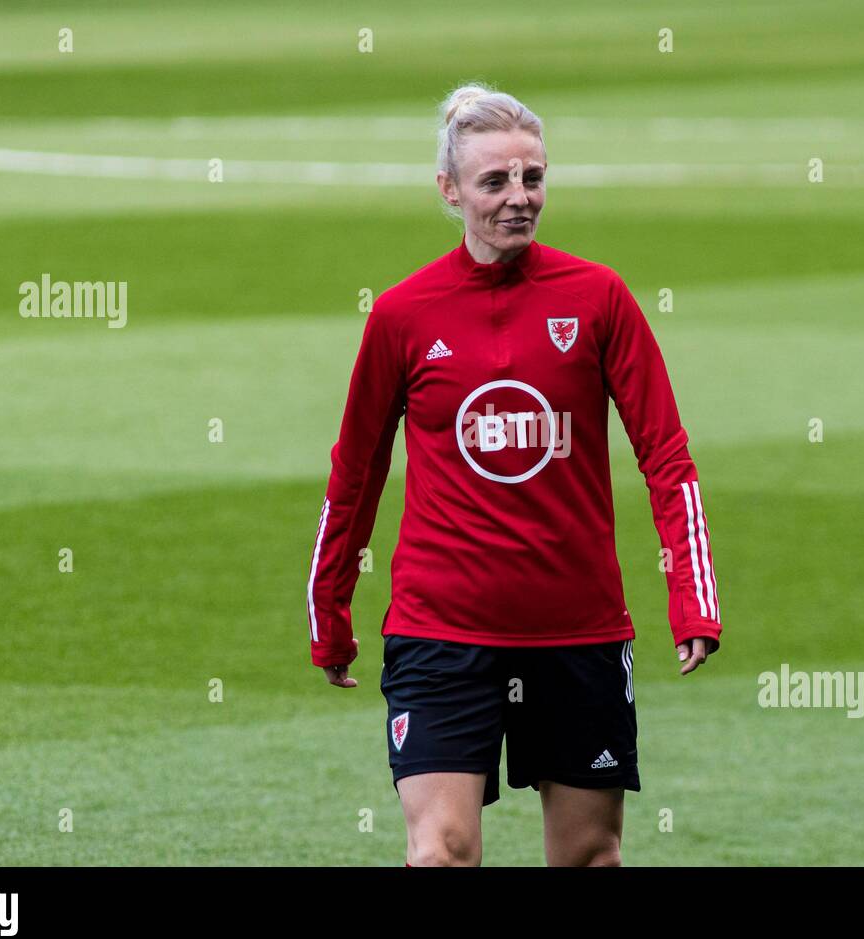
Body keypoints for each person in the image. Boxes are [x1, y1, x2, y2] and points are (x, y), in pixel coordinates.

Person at [305, 82, 722, 867]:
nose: (518, 198)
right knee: (442, 852)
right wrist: (330, 608)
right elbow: (355, 470)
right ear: (450, 189)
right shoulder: (402, 315)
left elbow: (666, 454)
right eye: (495, 181)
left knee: (589, 858)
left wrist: (691, 595)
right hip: (440, 630)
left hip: (579, 631)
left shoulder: (598, 298)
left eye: (532, 178)